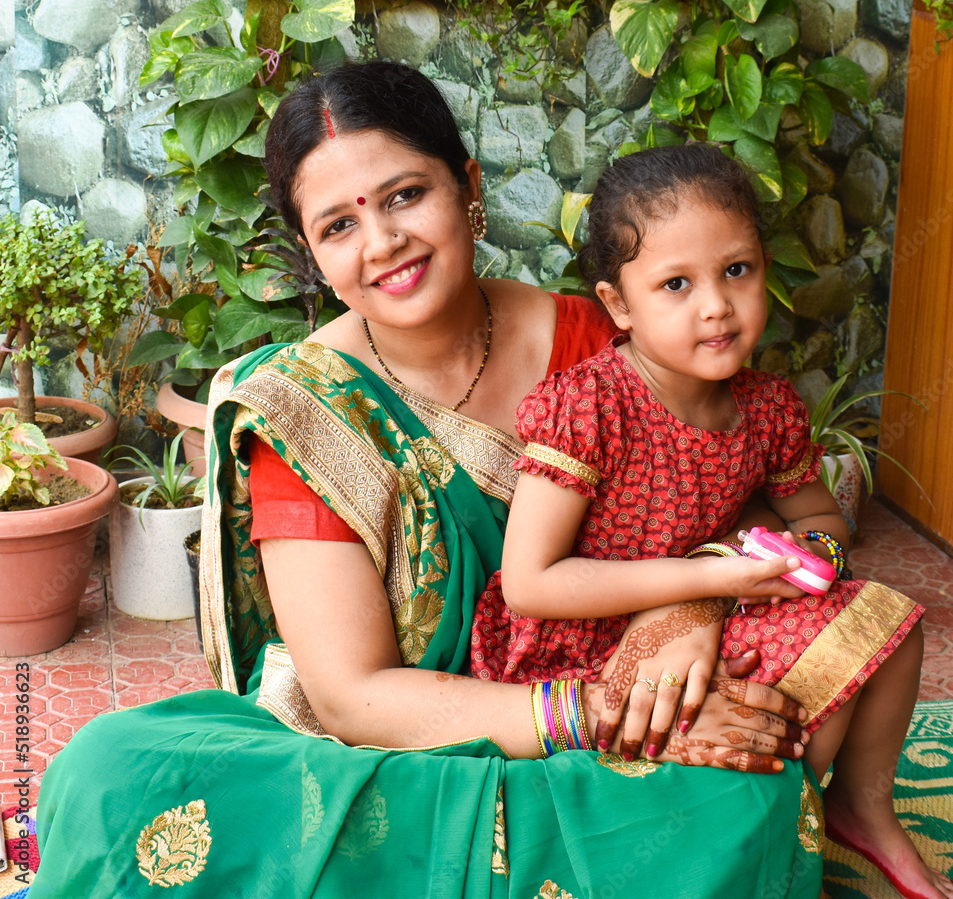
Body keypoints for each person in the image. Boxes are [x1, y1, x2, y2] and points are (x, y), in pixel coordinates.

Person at [33, 63, 826, 899]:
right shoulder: (308, 412)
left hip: (623, 725)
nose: (382, 243)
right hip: (406, 755)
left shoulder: (602, 342)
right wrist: (594, 712)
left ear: (468, 189)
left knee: (755, 788)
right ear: (312, 254)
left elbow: (753, 501)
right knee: (113, 776)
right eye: (339, 225)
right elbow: (355, 699)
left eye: (405, 195)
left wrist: (686, 611)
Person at [470, 144, 950, 899]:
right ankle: (759, 820)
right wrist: (706, 579)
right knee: (757, 719)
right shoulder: (588, 407)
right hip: (576, 647)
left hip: (708, 611)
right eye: (675, 284)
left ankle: (853, 807)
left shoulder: (766, 406)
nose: (716, 305)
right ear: (618, 305)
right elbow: (531, 583)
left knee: (886, 625)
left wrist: (804, 557)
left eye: (736, 270)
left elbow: (820, 516)